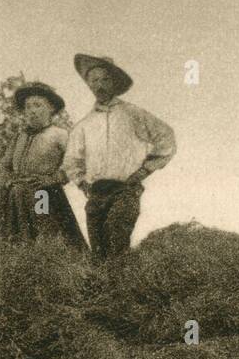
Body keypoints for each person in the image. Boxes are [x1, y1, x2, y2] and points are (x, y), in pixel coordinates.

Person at [62, 53, 176, 258]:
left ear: (114, 82)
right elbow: (72, 161)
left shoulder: (133, 114)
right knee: (98, 253)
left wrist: (145, 169)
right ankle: (106, 289)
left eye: (105, 79)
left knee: (117, 244)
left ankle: (123, 288)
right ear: (88, 84)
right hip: (96, 194)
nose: (100, 85)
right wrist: (81, 183)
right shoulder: (84, 125)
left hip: (125, 190)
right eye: (94, 80)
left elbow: (166, 137)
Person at [0, 81, 86, 250]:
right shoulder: (19, 137)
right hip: (16, 197)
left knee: (44, 231)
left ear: (51, 108)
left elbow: (76, 163)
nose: (32, 111)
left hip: (42, 194)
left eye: (37, 105)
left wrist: (53, 178)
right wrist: (7, 181)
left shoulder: (59, 135)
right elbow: (4, 165)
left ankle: (47, 266)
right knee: (16, 239)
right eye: (28, 106)